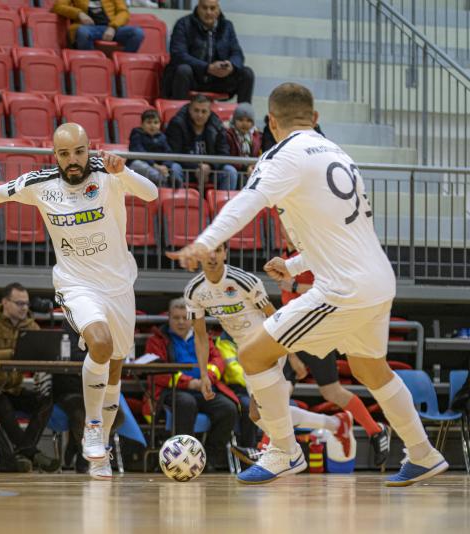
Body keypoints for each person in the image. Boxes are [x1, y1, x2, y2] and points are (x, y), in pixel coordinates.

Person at [168, 82, 446, 486]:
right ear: (315, 118)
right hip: (377, 279)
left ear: (271, 122)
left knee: (253, 355)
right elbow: (341, 234)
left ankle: (284, 450)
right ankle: (423, 453)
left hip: (343, 288)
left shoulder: (284, 154)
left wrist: (205, 241)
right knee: (372, 369)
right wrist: (296, 265)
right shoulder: (339, 154)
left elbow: (245, 201)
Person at [0, 123, 159, 480]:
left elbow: (152, 194)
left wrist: (124, 170)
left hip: (118, 285)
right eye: (64, 154)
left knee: (114, 366)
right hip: (76, 283)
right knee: (99, 343)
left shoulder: (107, 173)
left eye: (79, 151)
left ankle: (101, 456)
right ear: (55, 155)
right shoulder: (41, 184)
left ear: (88, 149)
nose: (72, 160)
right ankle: (93, 429)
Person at [178, 243, 356, 469]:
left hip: (268, 342)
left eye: (218, 251)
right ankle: (334, 425)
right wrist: (203, 374)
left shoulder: (244, 280)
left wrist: (290, 355)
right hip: (247, 352)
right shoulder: (194, 290)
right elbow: (201, 337)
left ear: (226, 253)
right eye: (207, 252)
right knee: (262, 414)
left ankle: (281, 450)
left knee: (261, 410)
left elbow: (274, 315)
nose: (212, 257)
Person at [278, 230, 391, 467]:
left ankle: (373, 430)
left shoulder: (311, 253)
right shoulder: (285, 256)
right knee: (279, 395)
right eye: (283, 227)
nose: (287, 231)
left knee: (332, 392)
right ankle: (272, 450)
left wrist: (295, 284)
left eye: (291, 227)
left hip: (315, 329)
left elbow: (329, 289)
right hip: (293, 329)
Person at [0, 282, 60, 473]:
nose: (25, 308)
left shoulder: (32, 326)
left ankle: (24, 451)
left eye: (26, 304)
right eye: (19, 303)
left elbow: (39, 356)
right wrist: (13, 353)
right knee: (0, 399)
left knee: (46, 400)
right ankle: (29, 452)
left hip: (12, 388)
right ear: (5, 302)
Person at [144, 297, 239, 471]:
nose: (181, 322)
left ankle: (209, 459)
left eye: (185, 317)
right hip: (172, 391)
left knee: (228, 409)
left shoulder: (203, 337)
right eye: (176, 318)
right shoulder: (157, 340)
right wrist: (189, 383)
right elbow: (158, 373)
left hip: (204, 388)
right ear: (169, 318)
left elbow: (217, 361)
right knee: (186, 403)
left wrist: (207, 378)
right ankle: (183, 459)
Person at [53, 320, 124, 474]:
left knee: (119, 416)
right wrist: (99, 353)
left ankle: (77, 445)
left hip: (97, 388)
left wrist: (100, 355)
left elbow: (115, 354)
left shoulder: (108, 322)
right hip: (70, 387)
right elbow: (69, 354)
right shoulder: (73, 321)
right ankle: (90, 461)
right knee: (79, 414)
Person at [163, 0, 254, 103]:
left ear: (218, 10)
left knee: (247, 73)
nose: (209, 12)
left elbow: (237, 53)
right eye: (205, 8)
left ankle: (243, 116)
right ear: (198, 8)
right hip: (193, 78)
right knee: (183, 69)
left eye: (212, 8)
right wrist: (207, 68)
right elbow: (178, 55)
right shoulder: (183, 24)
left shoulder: (227, 26)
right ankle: (179, 115)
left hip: (217, 79)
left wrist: (231, 66)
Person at [165, 94, 238, 191]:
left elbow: (224, 153)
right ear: (189, 110)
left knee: (230, 171)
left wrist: (209, 166)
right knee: (174, 168)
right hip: (186, 169)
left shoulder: (217, 125)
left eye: (204, 111)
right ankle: (179, 203)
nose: (200, 115)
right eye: (196, 110)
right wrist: (197, 168)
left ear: (209, 112)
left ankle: (225, 205)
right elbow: (173, 153)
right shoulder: (177, 124)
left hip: (210, 171)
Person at [52, 0, 144, 53]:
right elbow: (57, 6)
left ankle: (122, 63)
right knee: (82, 32)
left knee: (137, 33)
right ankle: (91, 61)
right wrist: (79, 13)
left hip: (111, 27)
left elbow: (124, 12)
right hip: (88, 28)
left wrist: (113, 27)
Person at [127, 109, 185, 188]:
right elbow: (139, 152)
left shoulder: (162, 137)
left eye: (156, 122)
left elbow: (168, 153)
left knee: (176, 166)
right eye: (149, 122)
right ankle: (167, 180)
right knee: (137, 164)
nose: (153, 125)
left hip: (161, 168)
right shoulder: (136, 134)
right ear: (142, 124)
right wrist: (155, 165)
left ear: (160, 124)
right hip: (147, 165)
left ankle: (177, 187)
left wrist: (165, 166)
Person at [224, 102, 261, 178]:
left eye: (248, 121)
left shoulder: (257, 136)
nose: (244, 124)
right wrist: (245, 168)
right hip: (236, 172)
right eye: (240, 120)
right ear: (234, 121)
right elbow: (228, 158)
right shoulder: (228, 135)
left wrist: (253, 167)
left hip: (250, 171)